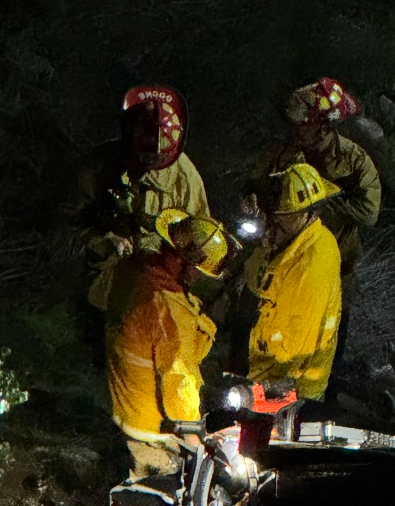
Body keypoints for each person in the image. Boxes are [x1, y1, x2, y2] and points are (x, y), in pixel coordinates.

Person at [244, 78, 381, 394]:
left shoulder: (354, 160)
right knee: (267, 329)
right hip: (281, 261)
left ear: (322, 127)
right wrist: (252, 199)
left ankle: (317, 403)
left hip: (334, 268)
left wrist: (324, 201)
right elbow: (254, 184)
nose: (296, 129)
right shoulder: (283, 154)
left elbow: (369, 212)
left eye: (302, 124)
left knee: (325, 343)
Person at [106, 209, 234, 481]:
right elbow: (179, 378)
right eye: (199, 272)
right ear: (190, 264)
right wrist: (194, 441)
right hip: (151, 430)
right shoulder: (170, 309)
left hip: (124, 406)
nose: (199, 278)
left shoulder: (134, 269)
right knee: (162, 493)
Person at [72, 85, 212, 312]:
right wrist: (106, 238)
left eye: (159, 160)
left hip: (161, 288)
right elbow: (75, 219)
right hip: (106, 283)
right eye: (144, 158)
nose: (150, 167)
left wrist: (189, 267)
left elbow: (202, 238)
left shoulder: (186, 179)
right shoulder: (98, 168)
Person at [246, 163, 343, 402]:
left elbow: (292, 350)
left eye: (280, 217)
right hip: (268, 373)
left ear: (302, 214)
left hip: (289, 390)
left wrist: (257, 391)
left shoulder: (312, 264)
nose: (272, 221)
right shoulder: (294, 242)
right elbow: (257, 282)